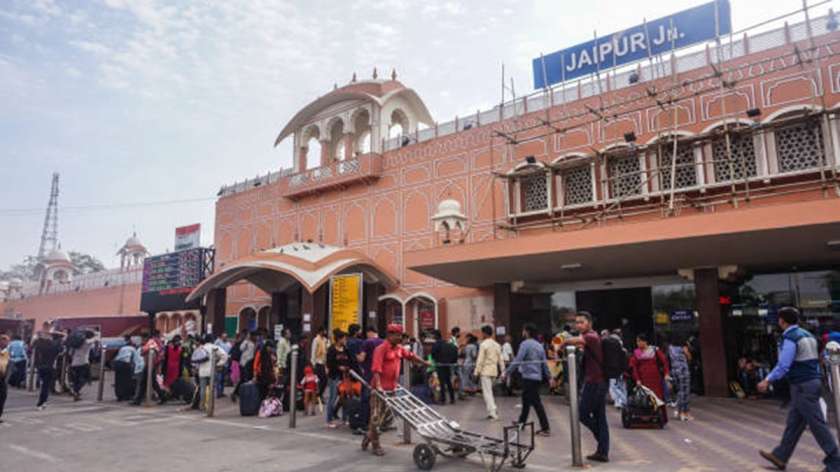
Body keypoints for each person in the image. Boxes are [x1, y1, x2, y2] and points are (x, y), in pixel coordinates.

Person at [758, 307, 840, 472]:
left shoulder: (790, 337)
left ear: (782, 321)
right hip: (812, 382)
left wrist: (767, 379)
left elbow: (784, 365)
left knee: (817, 425)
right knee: (794, 423)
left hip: (802, 385)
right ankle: (781, 456)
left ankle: (835, 461)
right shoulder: (808, 335)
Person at [363, 324, 430, 457]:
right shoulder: (380, 349)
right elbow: (376, 369)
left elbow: (411, 356)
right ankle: (375, 445)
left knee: (386, 420)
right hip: (379, 390)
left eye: (400, 335)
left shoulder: (399, 348)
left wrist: (424, 362)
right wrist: (378, 386)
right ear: (389, 335)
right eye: (396, 335)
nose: (399, 337)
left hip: (392, 389)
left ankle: (368, 436)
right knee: (376, 418)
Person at [560, 312, 610, 463]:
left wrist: (562, 342)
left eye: (581, 322)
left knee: (582, 414)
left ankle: (602, 441)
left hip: (595, 383)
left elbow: (573, 340)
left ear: (589, 323)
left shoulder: (591, 336)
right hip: (598, 382)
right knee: (600, 417)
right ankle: (602, 451)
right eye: (576, 322)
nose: (578, 325)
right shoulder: (589, 338)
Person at [502, 323, 553, 437]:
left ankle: (545, 428)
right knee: (526, 401)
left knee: (536, 403)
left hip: (528, 378)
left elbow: (517, 360)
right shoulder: (539, 345)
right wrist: (549, 377)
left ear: (527, 332)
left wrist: (507, 372)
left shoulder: (525, 344)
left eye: (523, 330)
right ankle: (522, 423)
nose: (522, 332)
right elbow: (544, 363)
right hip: (536, 378)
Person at [629, 333, 670, 425]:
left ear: (645, 342)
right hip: (643, 379)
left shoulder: (655, 350)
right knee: (644, 398)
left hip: (655, 379)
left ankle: (661, 418)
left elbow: (664, 362)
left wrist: (666, 374)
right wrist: (637, 379)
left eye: (639, 341)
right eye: (637, 341)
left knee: (658, 397)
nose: (637, 343)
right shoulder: (636, 353)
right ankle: (645, 416)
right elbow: (634, 367)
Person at [474, 325, 505, 420]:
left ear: (484, 333)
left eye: (482, 333)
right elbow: (501, 359)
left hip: (485, 371)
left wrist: (476, 372)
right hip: (494, 371)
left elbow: (480, 360)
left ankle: (493, 412)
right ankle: (492, 411)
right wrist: (503, 371)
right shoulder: (497, 345)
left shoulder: (483, 345)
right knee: (490, 392)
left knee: (487, 393)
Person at [132, 331, 166, 406]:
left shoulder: (151, 342)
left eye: (142, 339)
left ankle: (137, 400)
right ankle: (162, 397)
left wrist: (143, 347)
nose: (142, 341)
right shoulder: (153, 342)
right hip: (151, 365)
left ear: (145, 338)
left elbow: (142, 351)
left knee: (143, 383)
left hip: (150, 365)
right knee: (152, 383)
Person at [326, 330, 351, 427]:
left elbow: (348, 360)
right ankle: (329, 420)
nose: (345, 340)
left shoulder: (345, 349)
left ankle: (345, 418)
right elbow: (329, 363)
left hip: (344, 376)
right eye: (344, 338)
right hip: (334, 376)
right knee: (332, 397)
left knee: (344, 398)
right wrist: (338, 367)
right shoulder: (331, 349)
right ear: (339, 339)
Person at [197, 334, 228, 411]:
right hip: (212, 371)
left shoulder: (201, 348)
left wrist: (196, 368)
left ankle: (202, 405)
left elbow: (196, 360)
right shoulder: (215, 347)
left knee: (202, 389)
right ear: (212, 340)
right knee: (211, 389)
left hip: (202, 372)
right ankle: (210, 406)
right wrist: (218, 364)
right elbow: (225, 355)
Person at [32, 331, 61, 409]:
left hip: (40, 366)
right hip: (50, 367)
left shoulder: (39, 345)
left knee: (44, 384)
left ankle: (43, 402)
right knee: (46, 385)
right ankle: (41, 402)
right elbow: (59, 351)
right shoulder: (53, 346)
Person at [668, 334, 693, 421]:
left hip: (675, 371)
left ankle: (679, 412)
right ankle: (684, 412)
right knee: (685, 392)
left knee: (679, 392)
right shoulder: (683, 347)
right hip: (683, 371)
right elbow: (689, 357)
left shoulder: (670, 348)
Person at [431, 329, 458, 404]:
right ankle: (452, 398)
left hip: (440, 365)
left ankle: (443, 399)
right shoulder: (445, 342)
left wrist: (436, 360)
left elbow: (433, 354)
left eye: (433, 335)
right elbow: (454, 349)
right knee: (448, 381)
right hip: (447, 365)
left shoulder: (436, 344)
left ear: (435, 336)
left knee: (442, 383)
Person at [69, 330, 96, 401]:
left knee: (76, 379)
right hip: (83, 363)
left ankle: (76, 393)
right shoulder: (87, 342)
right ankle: (76, 391)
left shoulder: (76, 343)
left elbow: (70, 353)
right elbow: (94, 340)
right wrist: (95, 336)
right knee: (86, 379)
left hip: (74, 363)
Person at [112, 336, 140, 402]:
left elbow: (116, 356)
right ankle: (127, 396)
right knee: (127, 381)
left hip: (117, 363)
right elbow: (136, 359)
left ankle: (119, 396)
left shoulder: (122, 348)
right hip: (125, 364)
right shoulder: (133, 349)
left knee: (118, 381)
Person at [231, 331, 255, 402]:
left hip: (249, 363)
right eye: (248, 335)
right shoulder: (245, 342)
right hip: (244, 363)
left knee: (244, 379)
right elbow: (241, 348)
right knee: (244, 379)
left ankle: (237, 393)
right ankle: (237, 393)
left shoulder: (252, 343)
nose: (249, 336)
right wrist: (246, 342)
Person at [607, 329, 628, 409]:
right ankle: (623, 401)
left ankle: (619, 402)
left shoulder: (610, 344)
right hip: (621, 368)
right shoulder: (622, 346)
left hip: (613, 368)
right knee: (621, 385)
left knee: (614, 386)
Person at [311, 327, 329, 398]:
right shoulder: (316, 340)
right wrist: (313, 363)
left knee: (324, 380)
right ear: (320, 331)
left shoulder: (325, 340)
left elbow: (326, 350)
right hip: (318, 362)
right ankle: (317, 396)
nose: (325, 332)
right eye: (324, 331)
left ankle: (319, 395)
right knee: (320, 380)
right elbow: (313, 351)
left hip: (323, 363)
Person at [214, 333, 232, 398]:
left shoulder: (229, 344)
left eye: (226, 337)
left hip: (226, 364)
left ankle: (221, 392)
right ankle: (218, 393)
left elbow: (230, 353)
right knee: (218, 378)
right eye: (223, 337)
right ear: (221, 337)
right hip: (219, 363)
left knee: (223, 379)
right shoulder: (219, 343)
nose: (224, 338)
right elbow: (214, 347)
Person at [0, 334, 10, 423]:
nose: (6, 343)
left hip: (3, 377)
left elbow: (7, 363)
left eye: (7, 341)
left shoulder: (7, 352)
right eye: (4, 341)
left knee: (3, 396)